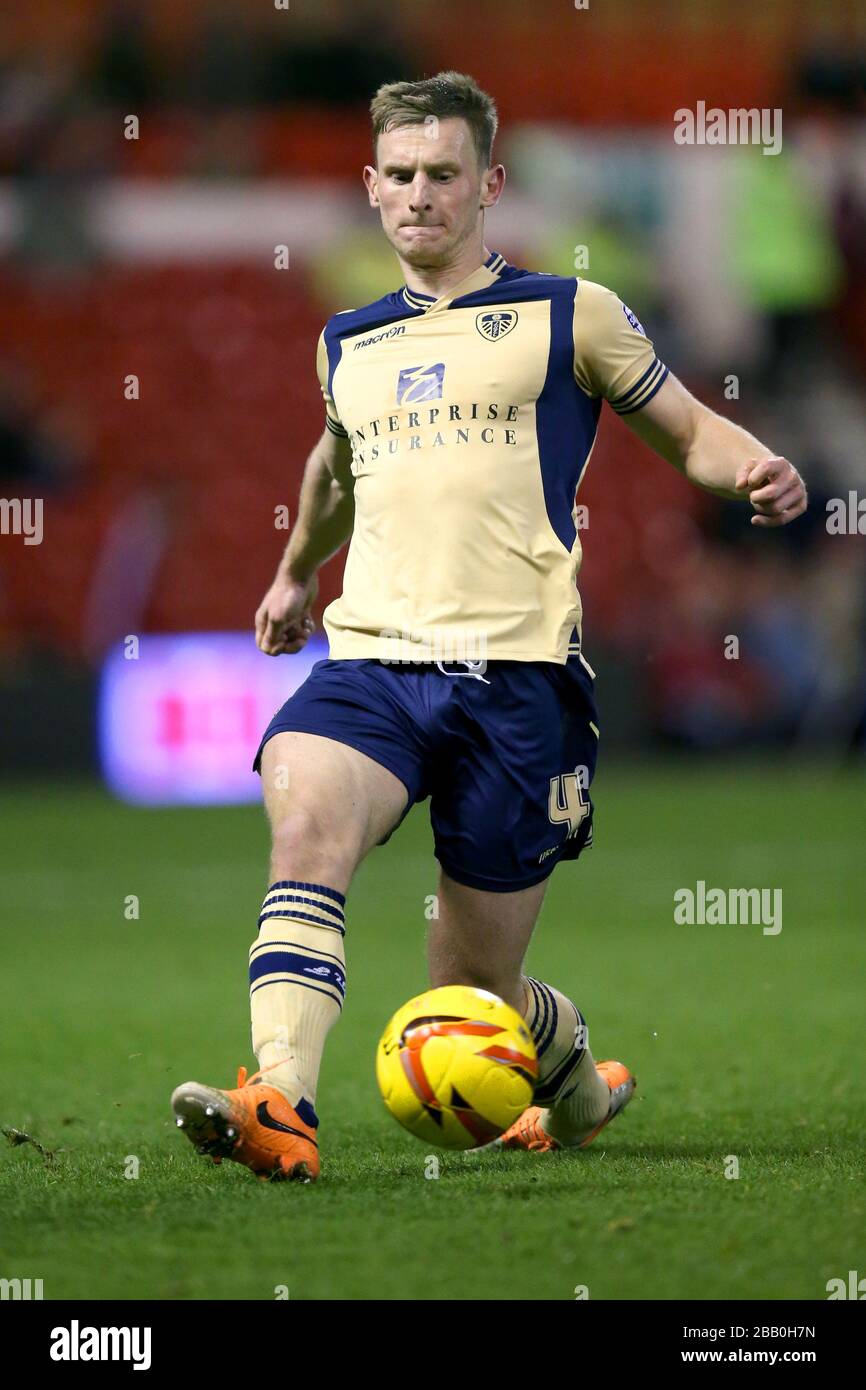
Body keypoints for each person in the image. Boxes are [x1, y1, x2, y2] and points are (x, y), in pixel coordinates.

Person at [171, 72, 807, 1182]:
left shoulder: (572, 313)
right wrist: (290, 578)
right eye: (402, 176)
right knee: (306, 831)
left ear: (488, 186)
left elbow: (685, 427)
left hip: (517, 683)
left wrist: (746, 463)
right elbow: (332, 472)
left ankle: (567, 1078)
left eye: (443, 175)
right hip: (371, 660)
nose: (420, 195)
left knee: (464, 1004)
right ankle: (279, 1096)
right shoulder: (347, 342)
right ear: (372, 188)